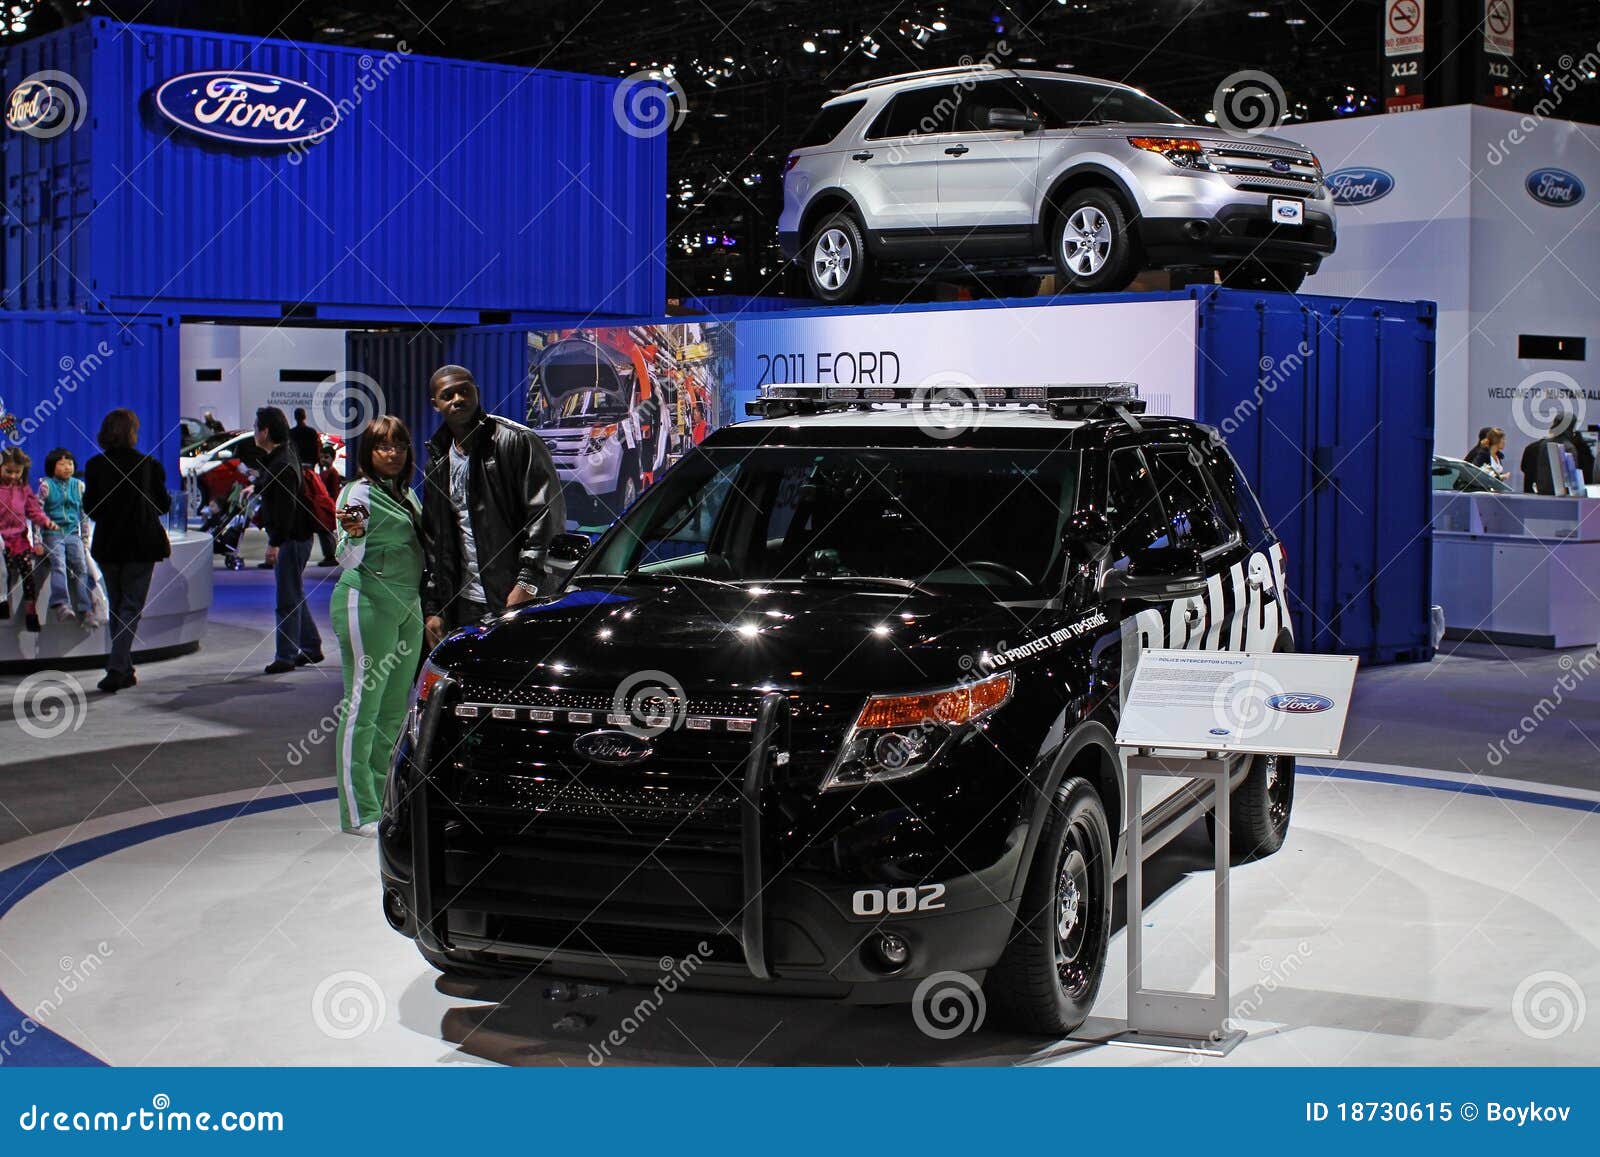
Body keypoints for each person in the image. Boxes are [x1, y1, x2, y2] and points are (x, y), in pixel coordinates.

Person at [421, 364, 564, 647]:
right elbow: (435, 540)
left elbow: (546, 517)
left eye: (464, 390)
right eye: (447, 395)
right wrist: (434, 608)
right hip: (464, 605)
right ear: (435, 404)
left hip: (515, 597)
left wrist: (527, 582)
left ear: (477, 392)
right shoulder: (437, 460)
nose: (457, 399)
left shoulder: (517, 441)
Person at [330, 417, 426, 836]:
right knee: (362, 708)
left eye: (399, 446)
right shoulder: (358, 492)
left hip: (408, 605)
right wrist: (355, 532)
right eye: (382, 446)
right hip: (367, 601)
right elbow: (346, 553)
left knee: (392, 712)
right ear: (367, 451)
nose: (392, 453)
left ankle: (387, 799)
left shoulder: (406, 494)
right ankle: (358, 811)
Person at [83, 409, 172, 691]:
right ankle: (117, 667)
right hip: (141, 545)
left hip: (108, 545)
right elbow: (163, 505)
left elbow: (91, 508)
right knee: (130, 608)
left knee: (119, 607)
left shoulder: (95, 465)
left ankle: (123, 667)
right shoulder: (148, 465)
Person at [255, 405, 324, 674]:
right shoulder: (283, 457)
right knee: (294, 592)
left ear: (265, 431)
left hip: (292, 538)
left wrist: (274, 543)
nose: (254, 432)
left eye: (256, 427)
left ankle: (285, 655)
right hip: (297, 537)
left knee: (287, 598)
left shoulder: (282, 463)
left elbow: (285, 511)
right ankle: (310, 646)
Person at [0, 448, 57, 632]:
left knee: (27, 573)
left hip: (19, 540)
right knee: (4, 571)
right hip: (1, 540)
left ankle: (30, 612)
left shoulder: (24, 489)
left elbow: (33, 510)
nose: (14, 475)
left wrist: (46, 521)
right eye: (9, 471)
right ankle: (3, 604)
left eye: (18, 472)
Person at [38, 448, 93, 624]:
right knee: (59, 564)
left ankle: (86, 609)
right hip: (52, 533)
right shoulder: (46, 486)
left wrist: (85, 539)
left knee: (81, 567)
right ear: (52, 467)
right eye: (61, 464)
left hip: (72, 534)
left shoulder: (79, 485)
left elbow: (84, 514)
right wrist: (38, 541)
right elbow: (36, 514)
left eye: (69, 463)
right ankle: (61, 605)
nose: (67, 467)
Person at [1520, 411, 1597, 494]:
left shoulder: (1543, 445)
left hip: (1543, 494)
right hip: (1563, 496)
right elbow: (1573, 480)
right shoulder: (1569, 447)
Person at [313, 443, 343, 566]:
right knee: (324, 531)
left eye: (326, 457)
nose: (323, 460)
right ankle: (329, 555)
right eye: (322, 457)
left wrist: (333, 506)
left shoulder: (332, 473)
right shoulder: (324, 472)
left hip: (328, 505)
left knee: (326, 531)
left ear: (332, 458)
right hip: (324, 505)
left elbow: (334, 491)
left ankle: (330, 556)